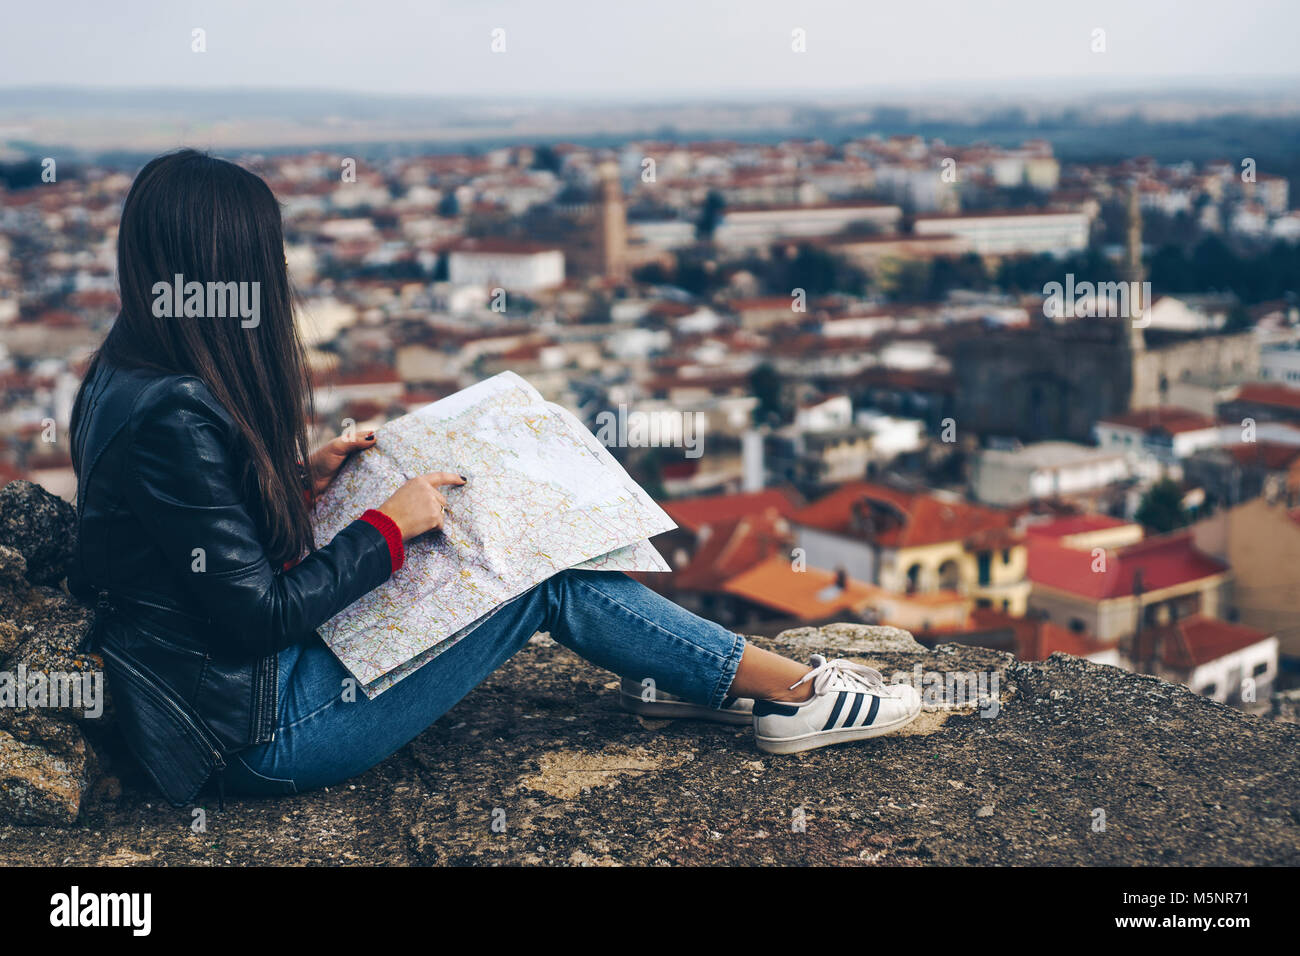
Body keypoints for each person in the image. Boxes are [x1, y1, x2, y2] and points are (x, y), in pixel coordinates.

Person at [69, 149, 921, 805]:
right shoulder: (174, 412)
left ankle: (687, 674)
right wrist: (387, 528)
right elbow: (250, 615)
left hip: (227, 698)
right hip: (257, 735)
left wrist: (296, 482)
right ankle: (793, 693)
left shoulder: (127, 372)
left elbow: (189, 544)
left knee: (513, 539)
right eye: (269, 254)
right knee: (532, 573)